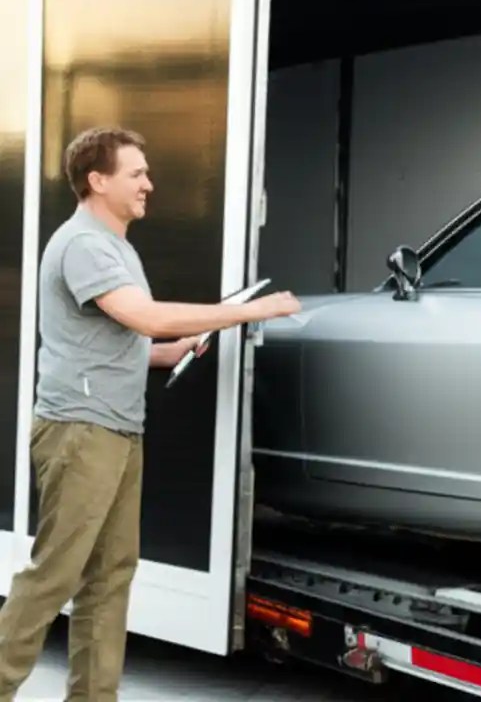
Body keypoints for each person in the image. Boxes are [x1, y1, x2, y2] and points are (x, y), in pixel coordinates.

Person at [0, 126, 300, 701]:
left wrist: (174, 349)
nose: (149, 184)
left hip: (116, 429)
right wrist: (248, 311)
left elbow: (127, 339)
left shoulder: (117, 247)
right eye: (136, 173)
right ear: (98, 180)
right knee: (55, 575)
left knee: (110, 578)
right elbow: (147, 317)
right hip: (81, 431)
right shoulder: (84, 245)